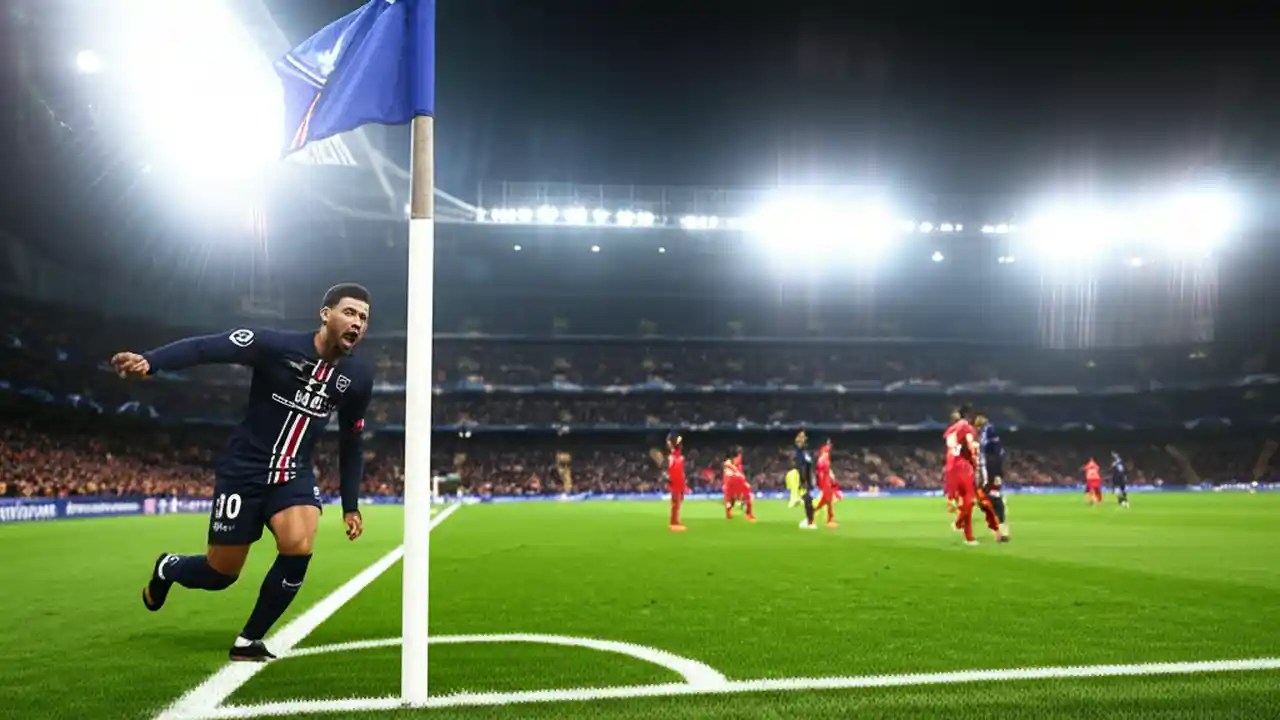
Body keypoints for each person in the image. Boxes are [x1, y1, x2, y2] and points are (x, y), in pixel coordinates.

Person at [113, 284, 374, 662]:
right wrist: (151, 361)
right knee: (220, 574)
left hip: (293, 473)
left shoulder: (358, 377)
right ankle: (168, 567)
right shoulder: (275, 346)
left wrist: (350, 505)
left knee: (299, 544)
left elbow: (352, 441)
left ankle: (248, 641)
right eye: (349, 312)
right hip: (244, 470)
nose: (357, 322)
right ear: (325, 314)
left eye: (363, 317)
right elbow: (206, 348)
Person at [943, 404, 982, 545]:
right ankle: (961, 526)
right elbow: (972, 448)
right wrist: (976, 466)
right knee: (969, 500)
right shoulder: (967, 428)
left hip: (950, 467)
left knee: (965, 501)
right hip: (962, 467)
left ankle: (965, 532)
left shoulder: (950, 430)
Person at [974, 411, 1010, 542]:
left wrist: (997, 474)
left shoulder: (989, 433)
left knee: (994, 500)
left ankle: (1001, 532)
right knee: (990, 500)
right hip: (988, 471)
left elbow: (996, 453)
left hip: (991, 470)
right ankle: (1000, 530)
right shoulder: (985, 436)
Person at [722, 446, 756, 521]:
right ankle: (749, 515)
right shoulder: (735, 462)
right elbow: (737, 472)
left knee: (729, 500)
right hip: (737, 480)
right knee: (748, 497)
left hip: (729, 483)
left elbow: (728, 470)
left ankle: (728, 514)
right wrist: (744, 481)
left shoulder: (728, 464)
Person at [813, 438, 840, 528]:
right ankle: (829, 520)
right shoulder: (824, 454)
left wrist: (830, 475)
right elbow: (822, 467)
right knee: (828, 500)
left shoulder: (824, 455)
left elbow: (823, 468)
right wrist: (828, 476)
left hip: (825, 480)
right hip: (825, 481)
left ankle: (812, 513)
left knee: (826, 500)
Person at [794, 431, 817, 529]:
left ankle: (810, 521)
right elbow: (802, 467)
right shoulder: (801, 453)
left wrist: (805, 481)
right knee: (807, 500)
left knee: (808, 500)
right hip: (805, 480)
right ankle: (810, 520)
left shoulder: (804, 453)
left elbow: (805, 468)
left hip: (806, 480)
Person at [667, 433, 688, 531]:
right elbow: (672, 469)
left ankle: (675, 520)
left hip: (679, 482)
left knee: (678, 503)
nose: (682, 446)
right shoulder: (673, 456)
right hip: (675, 483)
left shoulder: (678, 456)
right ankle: (673, 522)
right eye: (680, 444)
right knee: (675, 503)